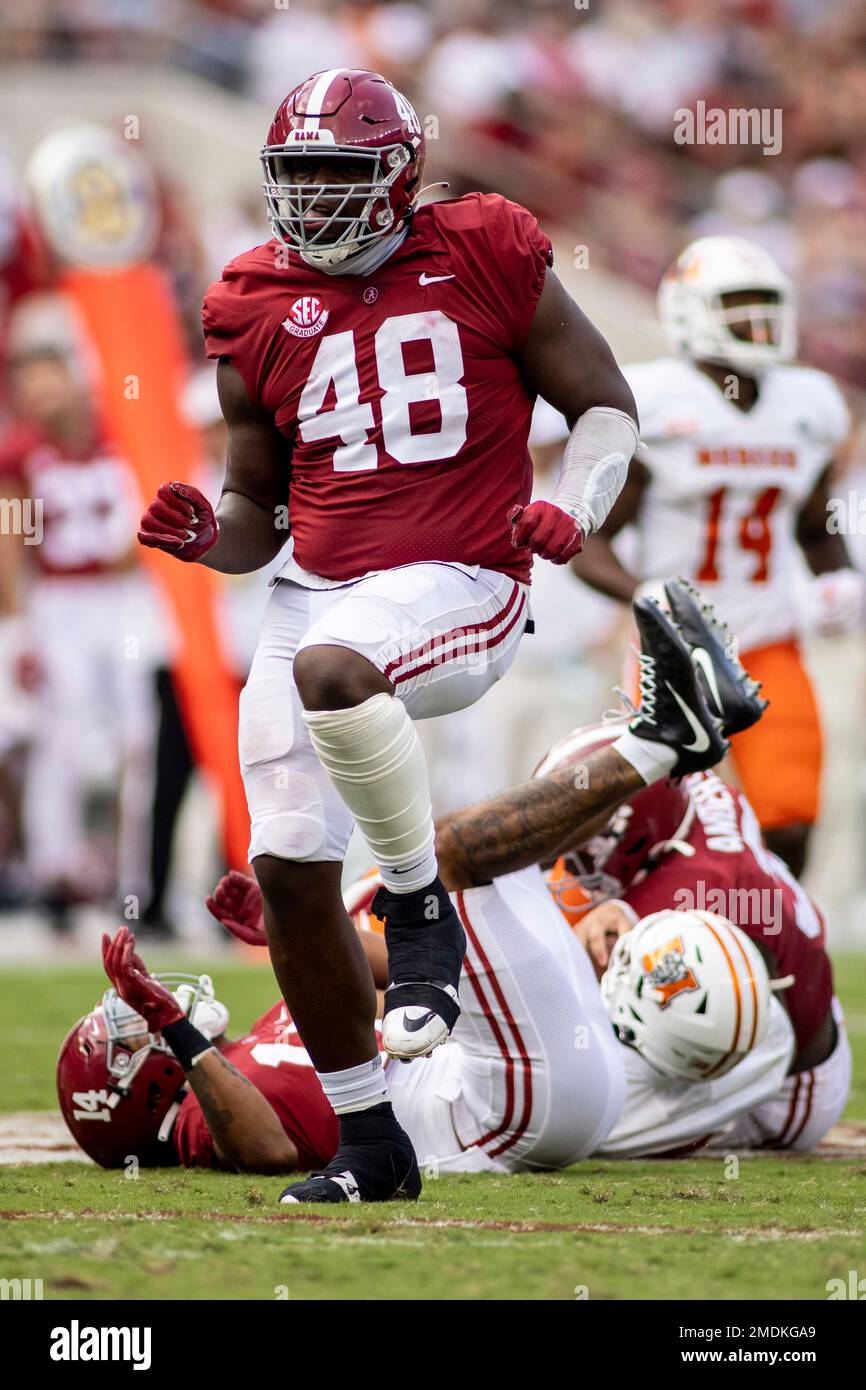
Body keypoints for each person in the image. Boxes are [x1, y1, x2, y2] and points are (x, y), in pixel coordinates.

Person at [136, 67, 645, 1201]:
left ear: (399, 174)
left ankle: (418, 915)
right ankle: (371, 1145)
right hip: (316, 585)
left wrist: (583, 505)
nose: (312, 199)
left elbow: (604, 401)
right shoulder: (254, 299)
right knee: (287, 869)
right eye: (297, 175)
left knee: (336, 670)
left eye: (337, 172)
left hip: (465, 575)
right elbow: (256, 518)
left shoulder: (484, 247)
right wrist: (200, 536)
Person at [57, 588, 768, 1189]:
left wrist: (294, 934)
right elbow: (265, 1150)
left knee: (438, 869)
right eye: (124, 1035)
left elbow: (416, 977)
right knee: (446, 856)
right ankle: (663, 740)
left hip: (528, 1079)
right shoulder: (195, 1118)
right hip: (499, 1108)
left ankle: (671, 732)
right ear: (139, 1090)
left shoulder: (252, 1049)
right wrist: (178, 1035)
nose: (149, 1011)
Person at [569, 235, 862, 878]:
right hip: (668, 650)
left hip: (769, 640)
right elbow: (589, 538)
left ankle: (770, 952)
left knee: (789, 820)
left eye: (768, 304)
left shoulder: (807, 406)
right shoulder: (658, 400)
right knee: (651, 820)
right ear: (690, 312)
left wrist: (839, 576)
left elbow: (816, 525)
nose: (760, 322)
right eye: (740, 305)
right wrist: (649, 596)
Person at [542, 731, 851, 1156]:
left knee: (568, 1118)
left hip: (785, 1072)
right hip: (776, 980)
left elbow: (582, 962)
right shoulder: (691, 795)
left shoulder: (684, 900)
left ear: (631, 833)